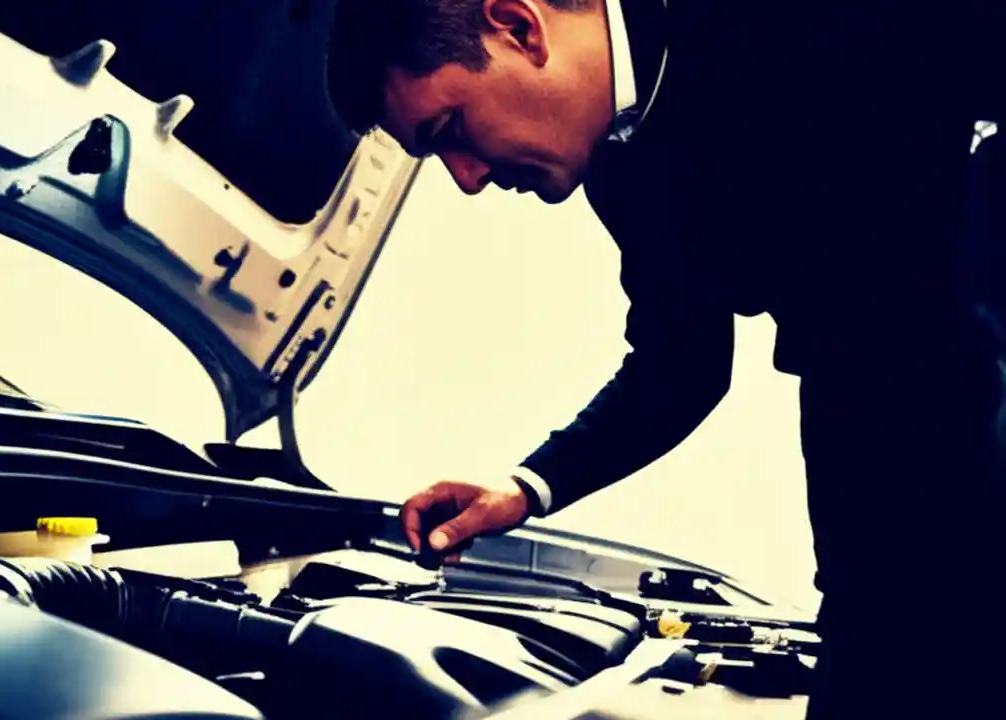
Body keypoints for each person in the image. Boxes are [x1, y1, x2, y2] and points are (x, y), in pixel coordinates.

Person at [324, 1, 1004, 717]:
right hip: (868, 436)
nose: (466, 178)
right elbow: (681, 362)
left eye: (449, 130)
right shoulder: (620, 162)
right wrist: (525, 490)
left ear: (519, 27)